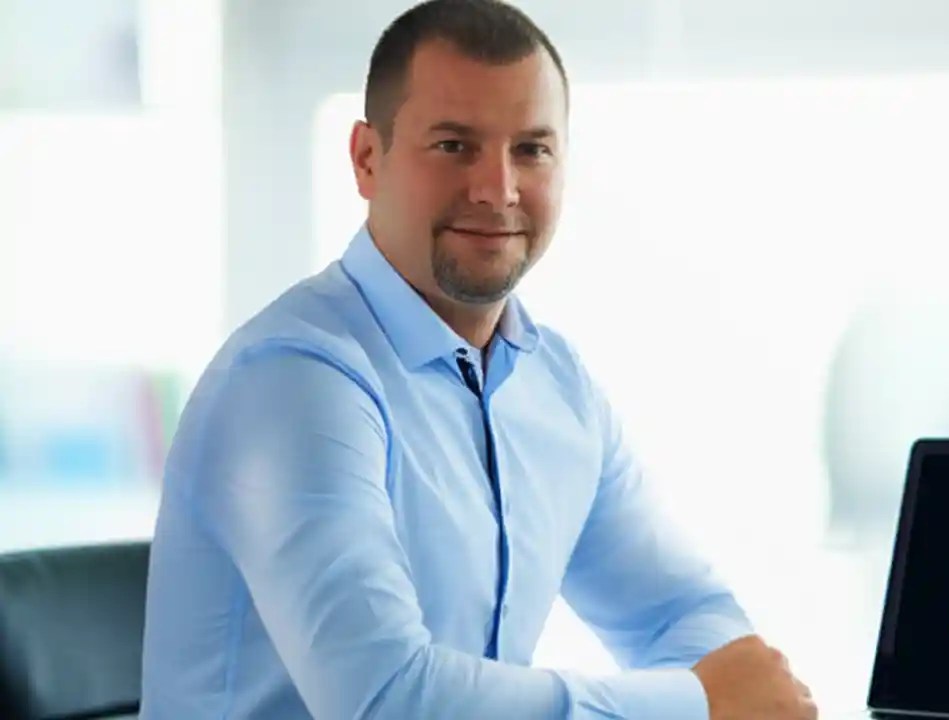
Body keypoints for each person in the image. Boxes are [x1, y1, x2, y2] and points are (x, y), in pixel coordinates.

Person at [140, 1, 816, 718]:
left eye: (532, 149)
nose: (498, 189)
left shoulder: (556, 386)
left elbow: (681, 617)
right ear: (368, 159)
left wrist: (736, 688)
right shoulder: (292, 380)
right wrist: (693, 708)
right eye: (454, 146)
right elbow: (386, 699)